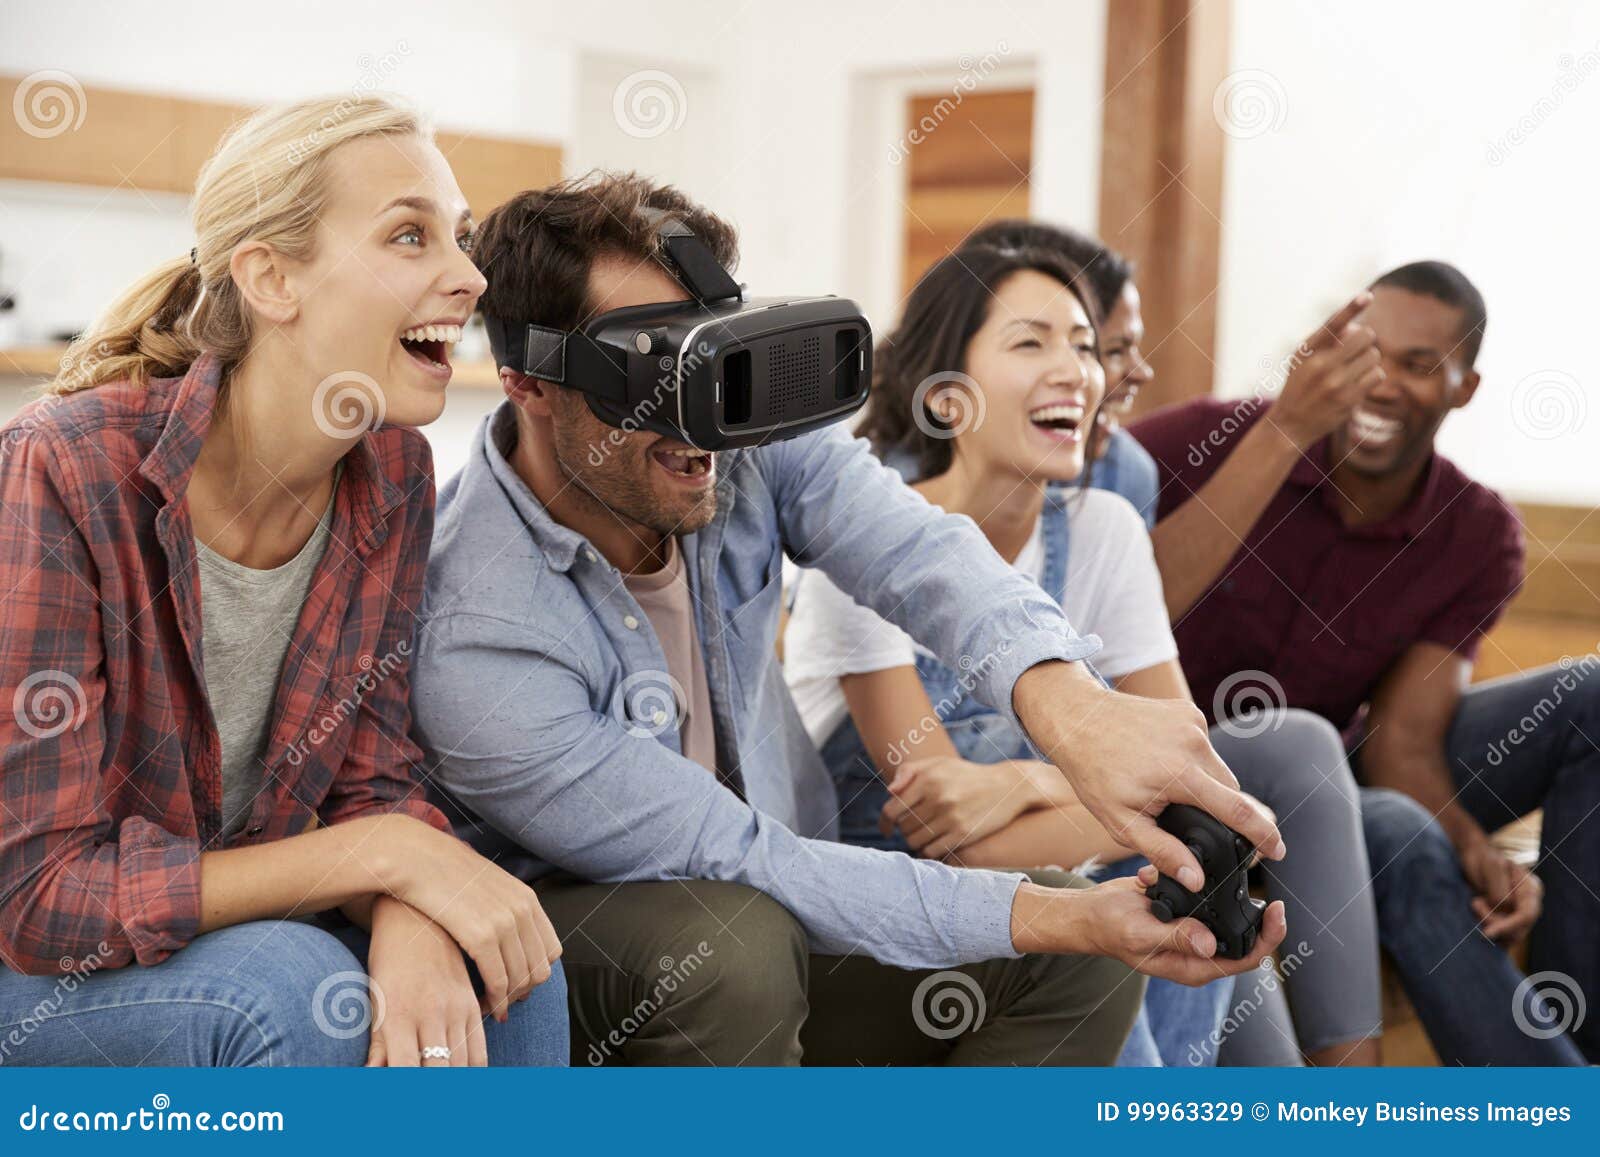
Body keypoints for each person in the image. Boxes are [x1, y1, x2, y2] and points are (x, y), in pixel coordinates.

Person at [410, 171, 1286, 1066]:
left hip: (774, 903)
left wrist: (1075, 710)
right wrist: (1056, 913)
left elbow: (916, 551)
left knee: (1082, 965)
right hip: (592, 951)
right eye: (651, 366)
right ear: (529, 383)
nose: (701, 415)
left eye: (708, 348)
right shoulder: (476, 627)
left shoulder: (725, 431)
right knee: (733, 945)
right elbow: (738, 857)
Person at [0, 96, 566, 1068]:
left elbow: (371, 780)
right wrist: (385, 858)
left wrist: (410, 902)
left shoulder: (392, 472)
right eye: (408, 234)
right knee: (296, 990)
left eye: (460, 238)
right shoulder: (63, 467)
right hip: (42, 964)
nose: (469, 275)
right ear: (270, 276)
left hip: (224, 927)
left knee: (506, 972)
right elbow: (40, 893)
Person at [784, 243, 1382, 1067]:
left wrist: (1027, 781)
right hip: (901, 922)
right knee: (1163, 871)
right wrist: (1116, 801)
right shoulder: (856, 559)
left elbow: (1194, 783)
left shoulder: (1104, 528)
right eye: (1031, 343)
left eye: (1084, 345)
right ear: (950, 401)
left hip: (1072, 879)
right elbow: (950, 839)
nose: (1075, 369)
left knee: (1191, 870)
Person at [1131, 260, 1595, 1065]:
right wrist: (1282, 431)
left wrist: (1480, 851)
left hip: (1336, 774)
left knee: (1590, 696)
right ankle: (1554, 1108)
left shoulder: (1477, 531)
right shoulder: (1198, 443)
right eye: (1364, 354)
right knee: (1399, 830)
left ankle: (1578, 1038)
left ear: (1465, 386)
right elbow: (1104, 602)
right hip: (1179, 781)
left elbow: (1403, 743)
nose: (1380, 384)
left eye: (1418, 365)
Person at [963, 220, 1158, 526]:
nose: (1142, 373)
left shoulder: (1124, 475)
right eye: (1115, 350)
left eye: (1083, 346)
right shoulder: (891, 493)